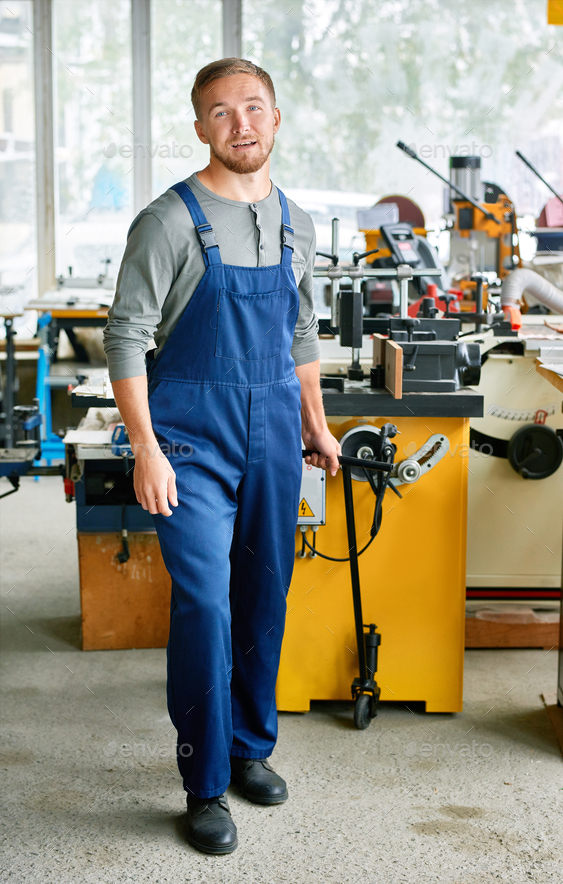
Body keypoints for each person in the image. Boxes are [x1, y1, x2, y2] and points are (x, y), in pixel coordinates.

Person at [103, 57, 341, 855]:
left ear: (276, 118)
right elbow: (127, 336)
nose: (240, 123)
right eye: (220, 111)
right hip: (188, 435)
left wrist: (317, 422)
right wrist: (145, 449)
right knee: (207, 602)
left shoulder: (296, 222)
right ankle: (204, 782)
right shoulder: (168, 221)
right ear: (200, 125)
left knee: (264, 593)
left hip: (275, 425)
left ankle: (250, 747)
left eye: (254, 108)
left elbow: (300, 334)